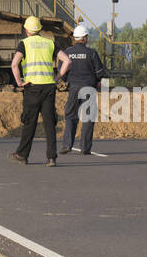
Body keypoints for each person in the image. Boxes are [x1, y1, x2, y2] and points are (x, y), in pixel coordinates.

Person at [10, 16, 58, 167]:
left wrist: (19, 82)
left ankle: (22, 155)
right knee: (49, 123)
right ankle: (51, 158)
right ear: (39, 30)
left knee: (30, 123)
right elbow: (67, 61)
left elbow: (14, 64)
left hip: (32, 88)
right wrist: (58, 77)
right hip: (49, 87)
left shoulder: (24, 43)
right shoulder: (49, 42)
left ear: (26, 30)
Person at [58, 24, 108, 156]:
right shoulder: (92, 53)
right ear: (85, 38)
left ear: (74, 38)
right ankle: (85, 148)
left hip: (73, 88)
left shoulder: (67, 52)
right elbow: (100, 72)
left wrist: (68, 81)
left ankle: (67, 145)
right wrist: (98, 80)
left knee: (70, 116)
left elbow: (61, 71)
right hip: (89, 88)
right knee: (88, 118)